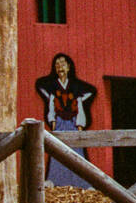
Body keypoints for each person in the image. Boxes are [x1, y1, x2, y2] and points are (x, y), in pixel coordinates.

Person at [35, 53, 97, 189]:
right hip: (59, 121)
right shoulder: (53, 86)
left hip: (73, 121)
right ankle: (55, 179)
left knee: (76, 151)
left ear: (69, 66)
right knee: (57, 149)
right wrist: (52, 121)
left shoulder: (75, 85)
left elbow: (90, 92)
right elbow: (43, 89)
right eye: (57, 65)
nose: (60, 67)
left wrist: (80, 121)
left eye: (63, 64)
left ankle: (82, 182)